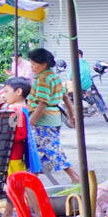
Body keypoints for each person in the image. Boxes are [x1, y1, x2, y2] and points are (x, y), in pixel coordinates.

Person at [26, 48, 78, 183]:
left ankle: (75, 177)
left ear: (43, 64)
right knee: (38, 154)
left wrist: (30, 123)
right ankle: (33, 182)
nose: (32, 68)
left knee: (53, 150)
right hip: (54, 119)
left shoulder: (43, 79)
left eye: (33, 64)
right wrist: (72, 115)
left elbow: (42, 105)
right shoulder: (54, 77)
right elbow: (65, 97)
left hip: (44, 121)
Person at [0, 77, 35, 176]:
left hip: (13, 154)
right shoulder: (16, 109)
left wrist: (3, 135)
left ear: (18, 91)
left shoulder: (17, 111)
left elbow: (19, 133)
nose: (4, 95)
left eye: (6, 91)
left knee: (18, 181)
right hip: (10, 153)